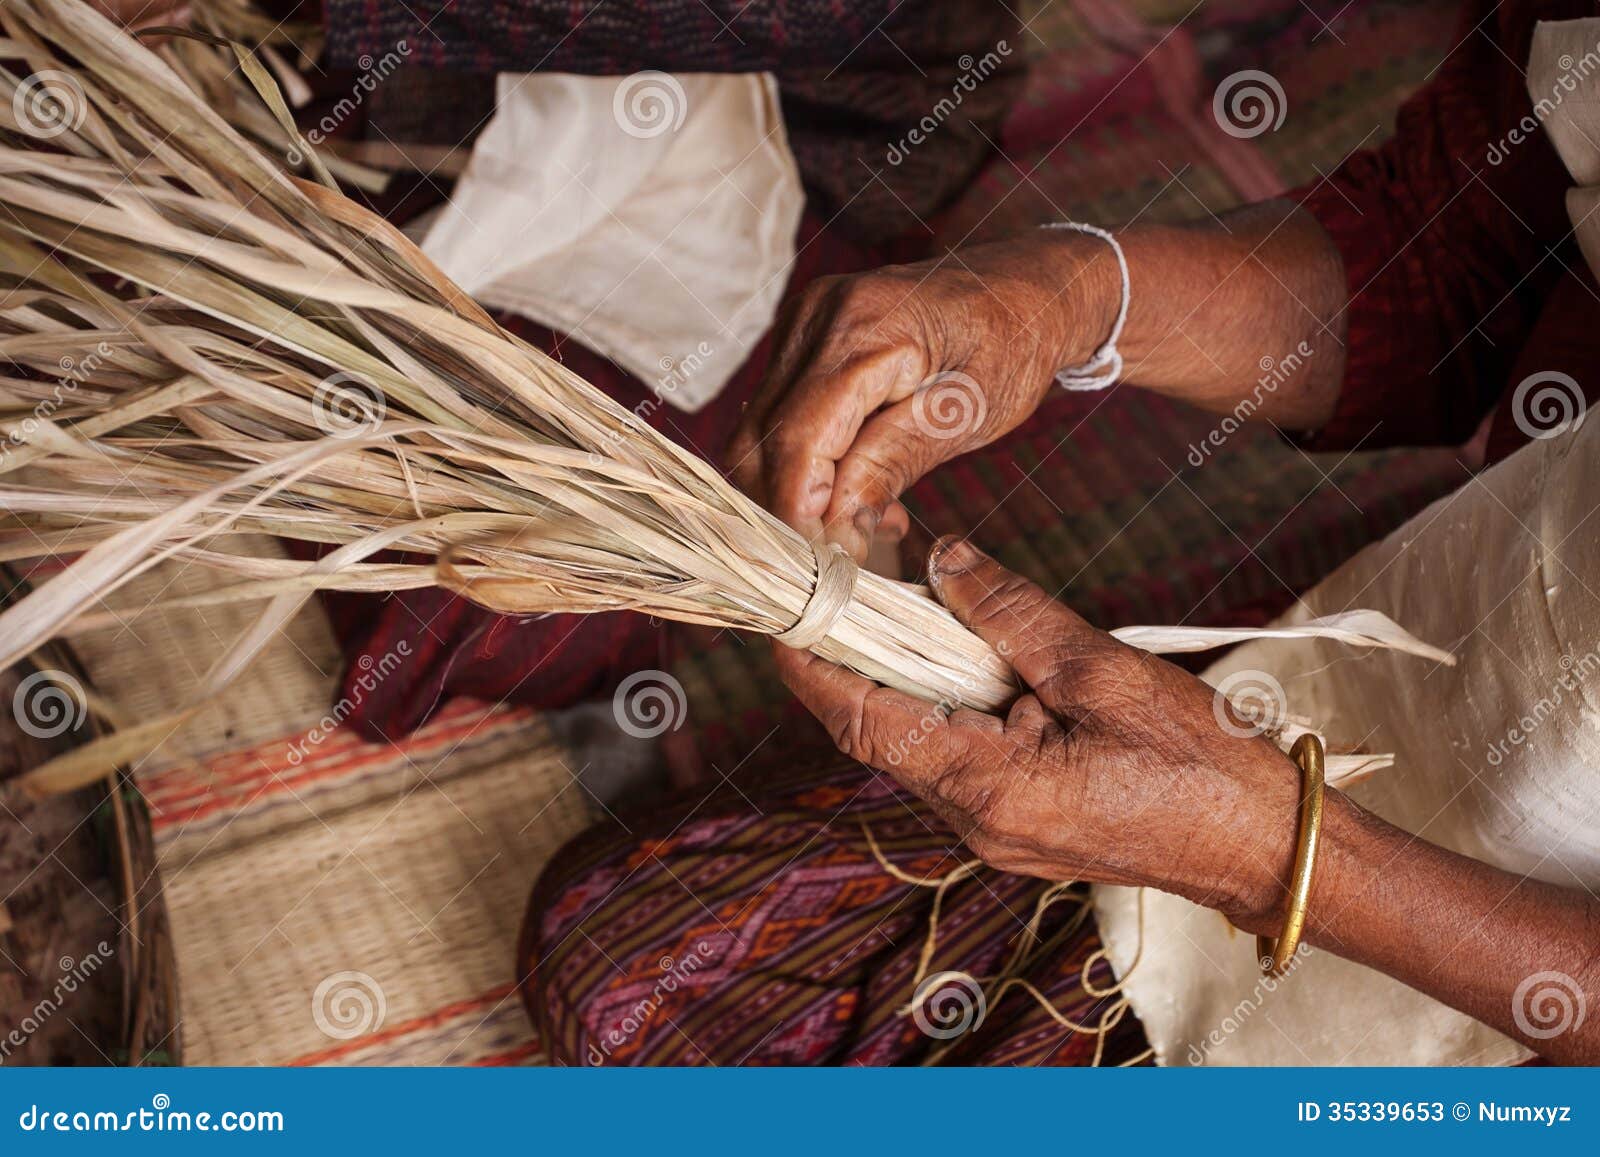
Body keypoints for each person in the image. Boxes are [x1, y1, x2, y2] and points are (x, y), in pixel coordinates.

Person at [521, 0, 1600, 1066]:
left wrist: (1262, 857)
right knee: (615, 961)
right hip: (1422, 656)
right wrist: (1068, 294)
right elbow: (1456, 252)